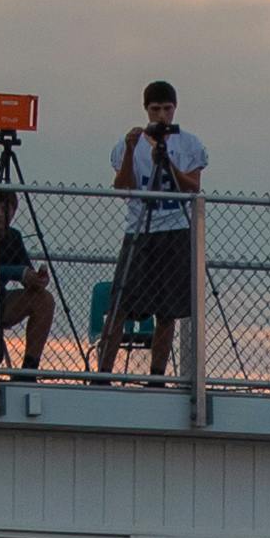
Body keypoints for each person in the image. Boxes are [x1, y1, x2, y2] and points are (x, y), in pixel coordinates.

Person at [101, 79, 206, 375]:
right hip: (139, 232)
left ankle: (157, 375)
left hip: (174, 230)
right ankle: (103, 373)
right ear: (146, 109)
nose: (161, 115)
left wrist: (167, 161)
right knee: (120, 306)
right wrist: (132, 149)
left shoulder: (189, 144)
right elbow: (123, 187)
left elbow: (193, 187)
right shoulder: (129, 144)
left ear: (175, 109)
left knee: (167, 311)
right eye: (155, 109)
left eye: (167, 109)